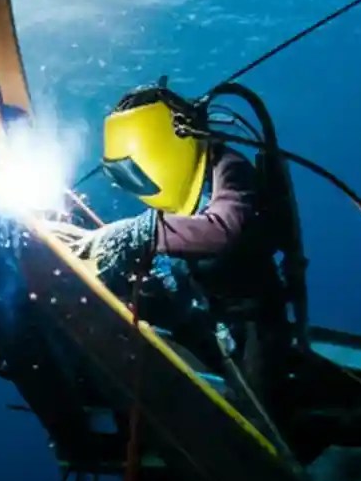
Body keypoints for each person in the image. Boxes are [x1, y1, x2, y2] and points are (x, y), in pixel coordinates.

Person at [61, 84, 294, 416]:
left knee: (258, 417)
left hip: (254, 321)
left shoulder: (228, 167)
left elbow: (223, 230)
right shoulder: (182, 185)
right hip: (203, 310)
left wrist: (143, 232)